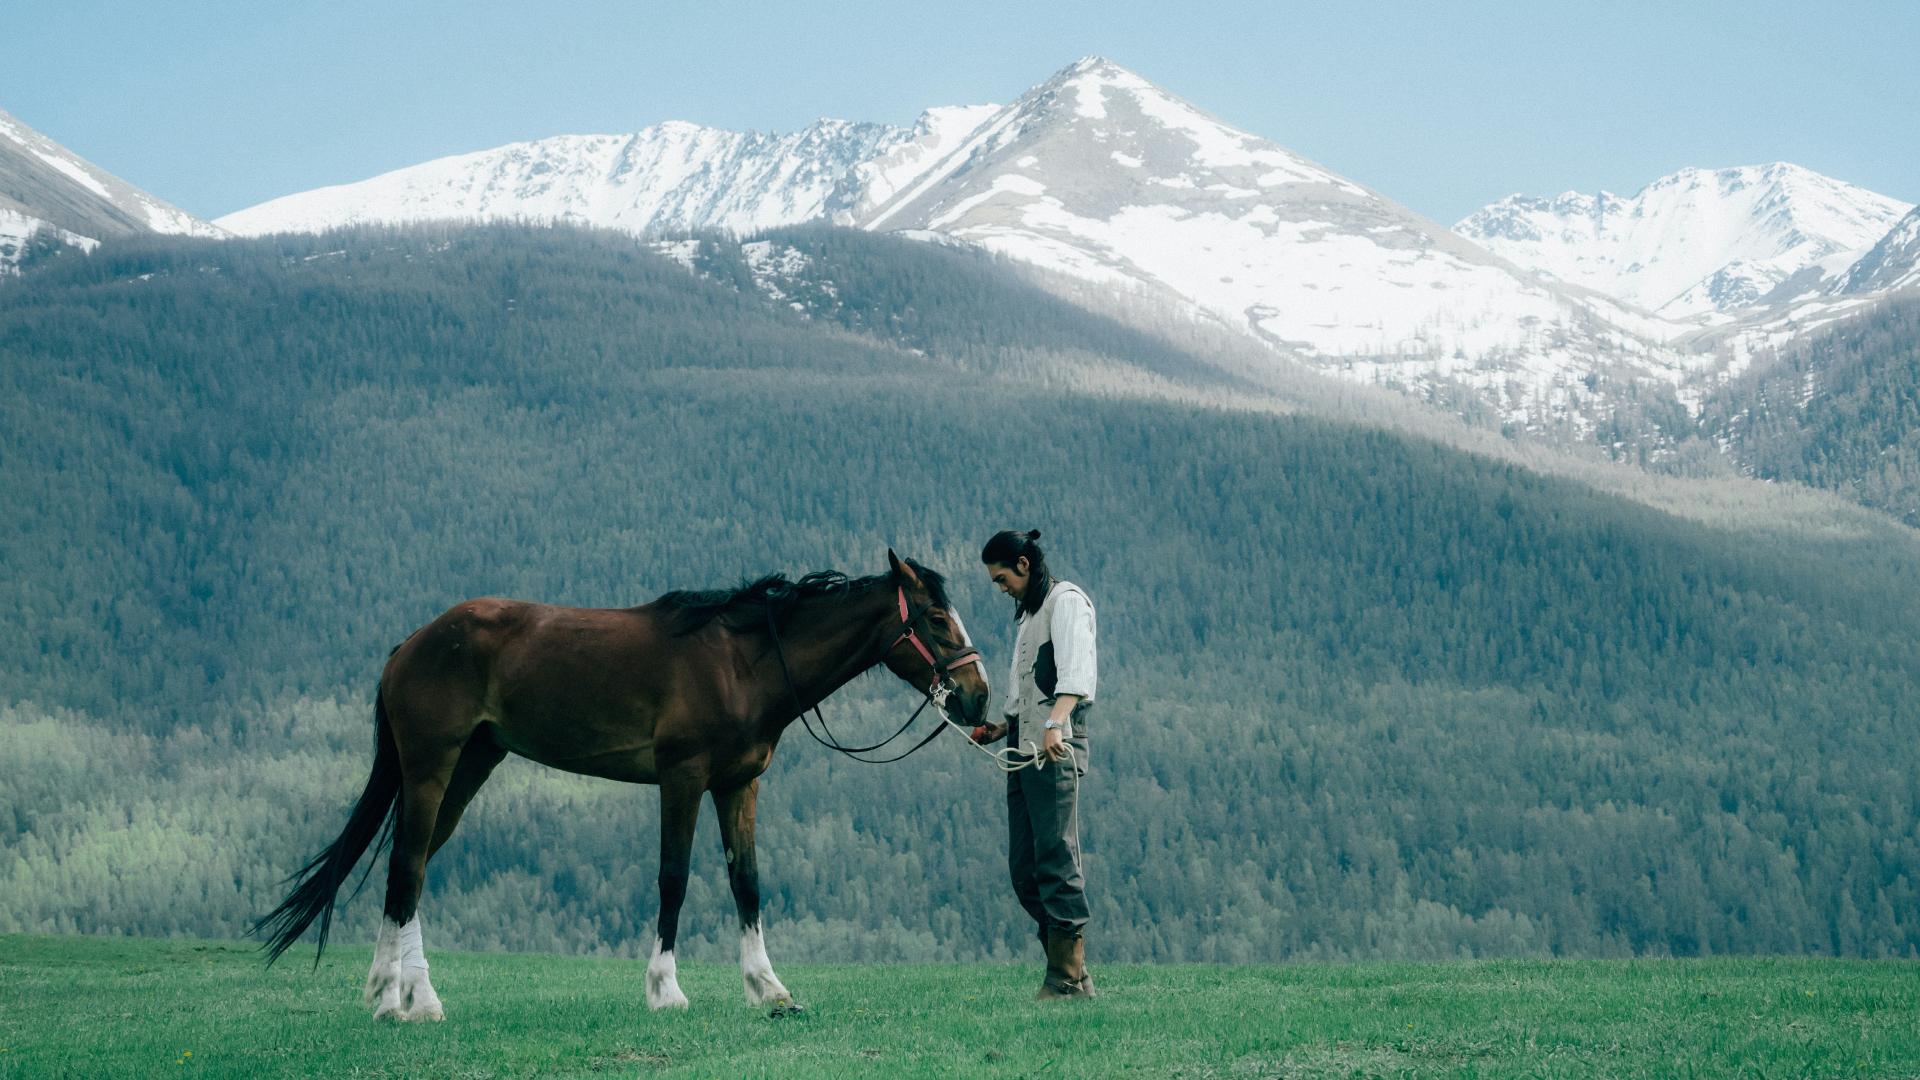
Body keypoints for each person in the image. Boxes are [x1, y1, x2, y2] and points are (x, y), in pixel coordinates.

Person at [973, 529, 1097, 999]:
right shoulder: (1028, 617)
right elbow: (1024, 687)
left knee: (1056, 858)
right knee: (1024, 868)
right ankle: (1072, 974)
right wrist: (1001, 728)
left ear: (1024, 565)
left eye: (1002, 578)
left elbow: (1076, 673)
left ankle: (1064, 976)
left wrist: (1054, 725)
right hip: (1025, 752)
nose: (1000, 587)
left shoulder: (1066, 603)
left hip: (1055, 749)